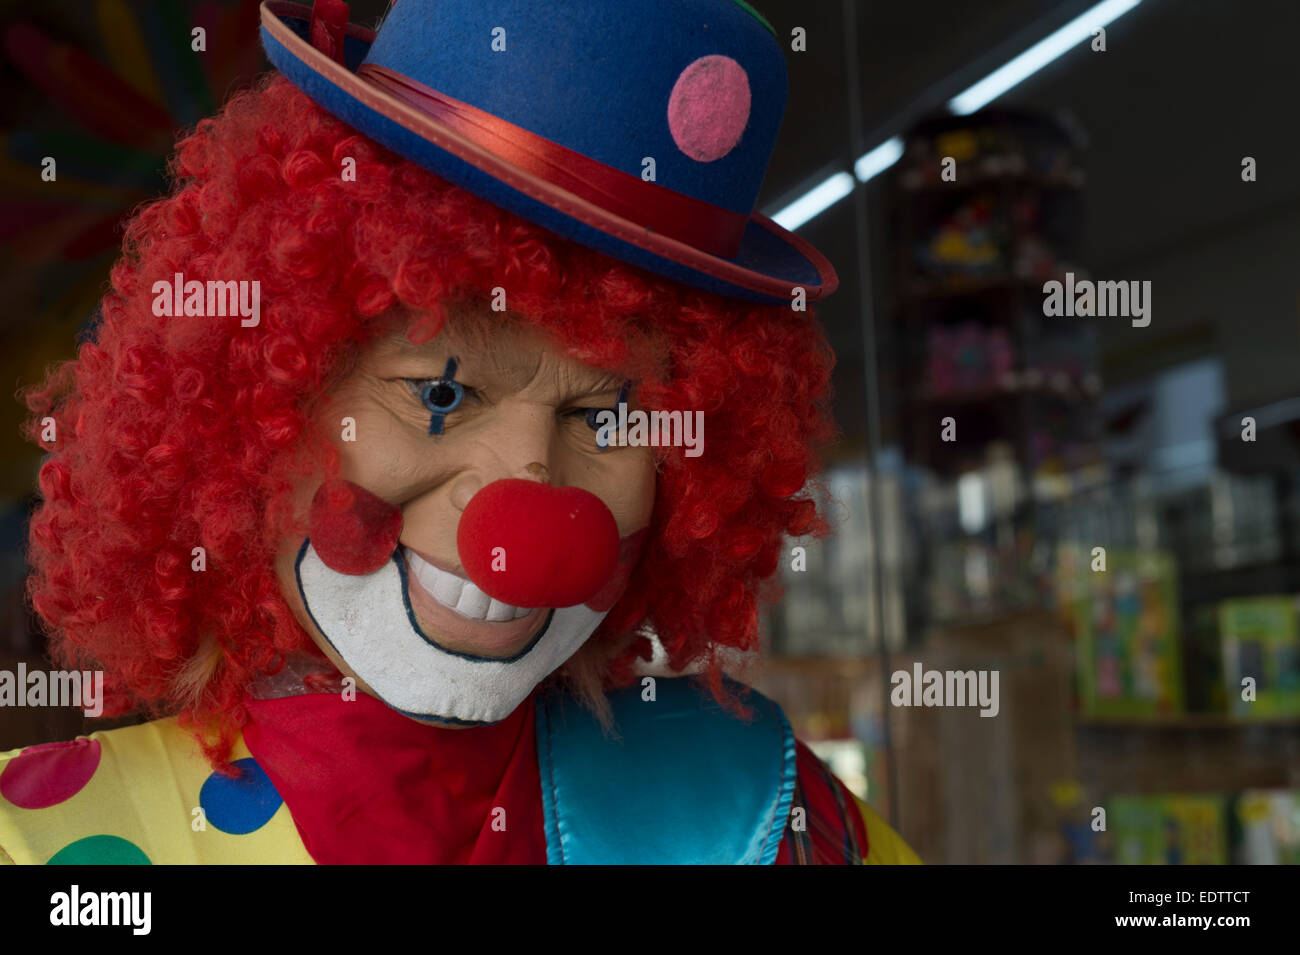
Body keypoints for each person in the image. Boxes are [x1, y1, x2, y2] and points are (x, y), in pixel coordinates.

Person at [0, 0, 918, 865]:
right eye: (440, 395)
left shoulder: (757, 814)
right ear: (257, 408)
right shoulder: (48, 844)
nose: (534, 497)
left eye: (603, 416)